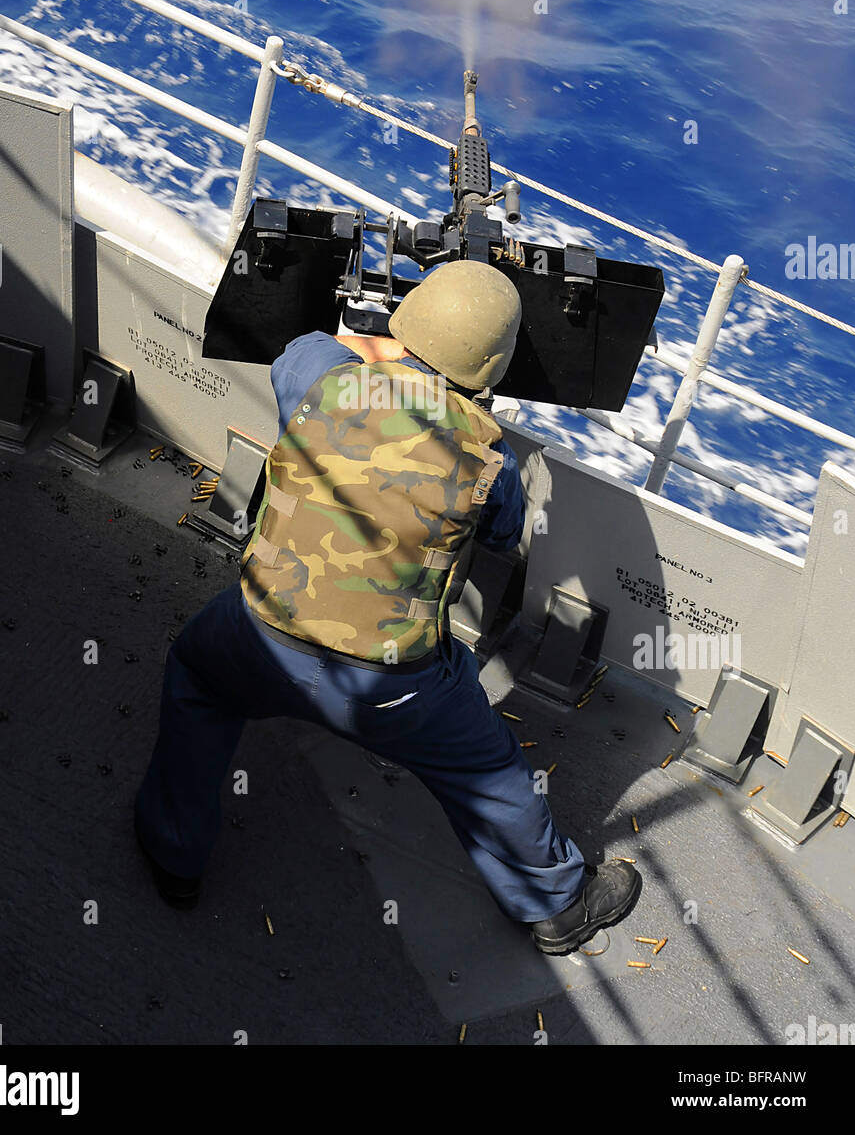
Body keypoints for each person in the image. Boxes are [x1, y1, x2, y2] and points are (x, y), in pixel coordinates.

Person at [134, 259, 640, 954]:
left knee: (196, 677)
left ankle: (174, 857)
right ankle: (560, 905)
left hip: (258, 635)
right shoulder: (492, 464)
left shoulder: (323, 378)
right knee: (490, 773)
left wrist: (375, 350)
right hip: (393, 688)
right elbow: (500, 535)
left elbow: (302, 349)